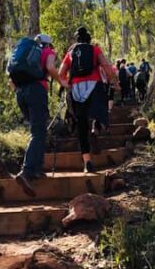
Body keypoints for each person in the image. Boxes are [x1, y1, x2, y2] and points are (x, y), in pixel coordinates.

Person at [58, 27, 120, 173]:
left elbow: (61, 73)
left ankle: (87, 162)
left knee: (81, 125)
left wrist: (68, 85)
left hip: (76, 90)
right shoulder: (95, 49)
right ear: (89, 38)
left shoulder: (71, 52)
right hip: (94, 86)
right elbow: (105, 65)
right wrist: (113, 82)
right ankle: (96, 128)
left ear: (77, 39)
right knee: (100, 110)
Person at [13, 34, 68, 196]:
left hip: (20, 92)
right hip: (36, 91)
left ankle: (36, 169)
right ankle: (26, 171)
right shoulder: (47, 52)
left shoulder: (24, 53)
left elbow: (11, 80)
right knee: (38, 132)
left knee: (37, 131)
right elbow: (51, 68)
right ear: (48, 44)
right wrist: (62, 82)